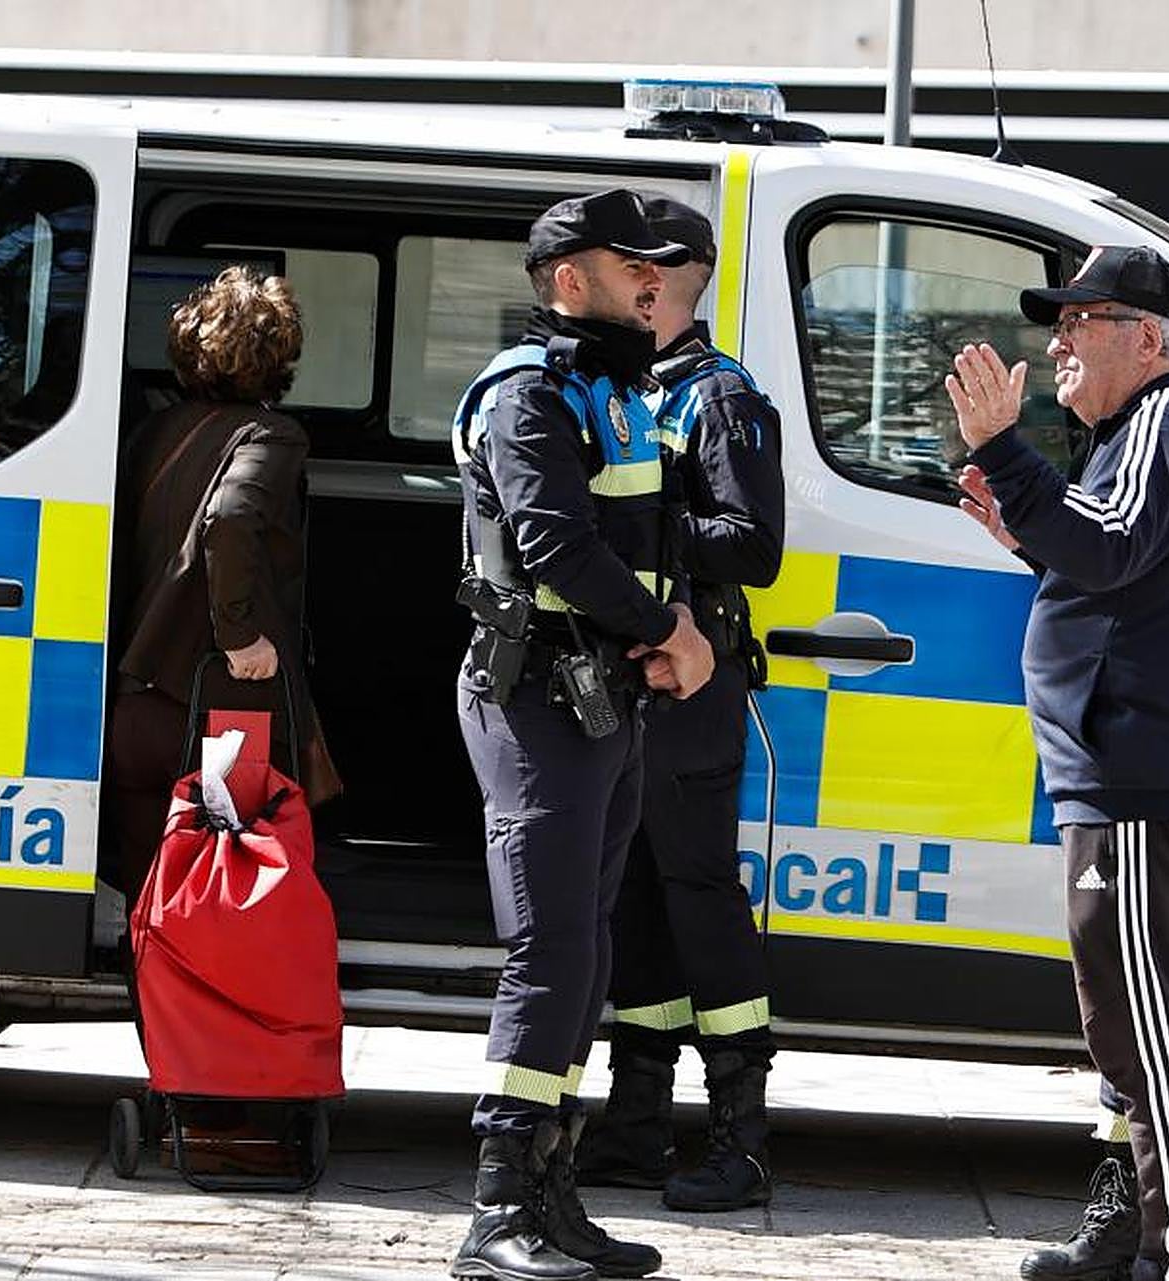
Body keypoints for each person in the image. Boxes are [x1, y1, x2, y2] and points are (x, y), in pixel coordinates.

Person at [947, 246, 1169, 1281]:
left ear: (1145, 337)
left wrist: (1004, 450)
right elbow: (1122, 566)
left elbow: (1115, 546)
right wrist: (1035, 534)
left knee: (1141, 1030)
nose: (1057, 343)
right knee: (1134, 1020)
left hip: (1141, 781)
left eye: (1078, 321)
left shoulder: (1165, 422)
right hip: (1155, 775)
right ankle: (1141, 1235)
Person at [450, 187, 717, 1281]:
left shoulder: (616, 392)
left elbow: (649, 536)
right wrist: (672, 631)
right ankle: (496, 1214)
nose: (655, 282)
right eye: (632, 267)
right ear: (570, 279)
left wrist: (667, 631)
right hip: (537, 697)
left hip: (604, 695)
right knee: (552, 944)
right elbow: (556, 545)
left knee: (588, 948)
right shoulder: (529, 397)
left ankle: (550, 1196)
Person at [575, 196, 785, 1212]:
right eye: (627, 268)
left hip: (695, 678)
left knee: (698, 890)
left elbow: (754, 546)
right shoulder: (615, 388)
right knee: (638, 897)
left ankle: (740, 1136)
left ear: (681, 280)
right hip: (632, 671)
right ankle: (636, 1124)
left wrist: (635, 531)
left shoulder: (719, 396)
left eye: (651, 270)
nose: (638, 283)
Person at [103, 265, 341, 903]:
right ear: (279, 355)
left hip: (133, 707)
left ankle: (151, 1008)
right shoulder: (270, 436)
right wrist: (241, 633)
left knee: (147, 898)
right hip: (221, 715)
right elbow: (230, 518)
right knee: (219, 900)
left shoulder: (151, 433)